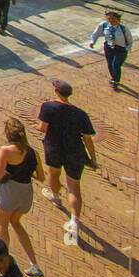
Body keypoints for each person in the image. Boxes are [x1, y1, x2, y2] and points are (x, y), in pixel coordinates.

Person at [38, 79, 97, 243]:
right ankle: (74, 221)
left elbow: (42, 128)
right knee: (74, 188)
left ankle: (56, 196)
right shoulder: (80, 114)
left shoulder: (48, 107)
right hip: (75, 152)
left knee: (54, 174)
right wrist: (93, 159)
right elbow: (88, 139)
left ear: (56, 91)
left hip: (54, 148)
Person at [0, 117, 46, 277]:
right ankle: (34, 265)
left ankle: (2, 265)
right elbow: (41, 177)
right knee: (16, 223)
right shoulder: (33, 153)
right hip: (25, 194)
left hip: (9, 193)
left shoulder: (4, 151)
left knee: (2, 224)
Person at [90, 10, 132, 90]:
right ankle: (114, 77)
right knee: (110, 65)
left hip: (121, 49)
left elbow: (129, 40)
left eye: (113, 19)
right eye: (109, 19)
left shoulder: (123, 28)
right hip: (109, 47)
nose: (111, 21)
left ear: (118, 19)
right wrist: (93, 42)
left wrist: (127, 49)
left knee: (115, 65)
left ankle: (116, 81)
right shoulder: (104, 25)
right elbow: (96, 33)